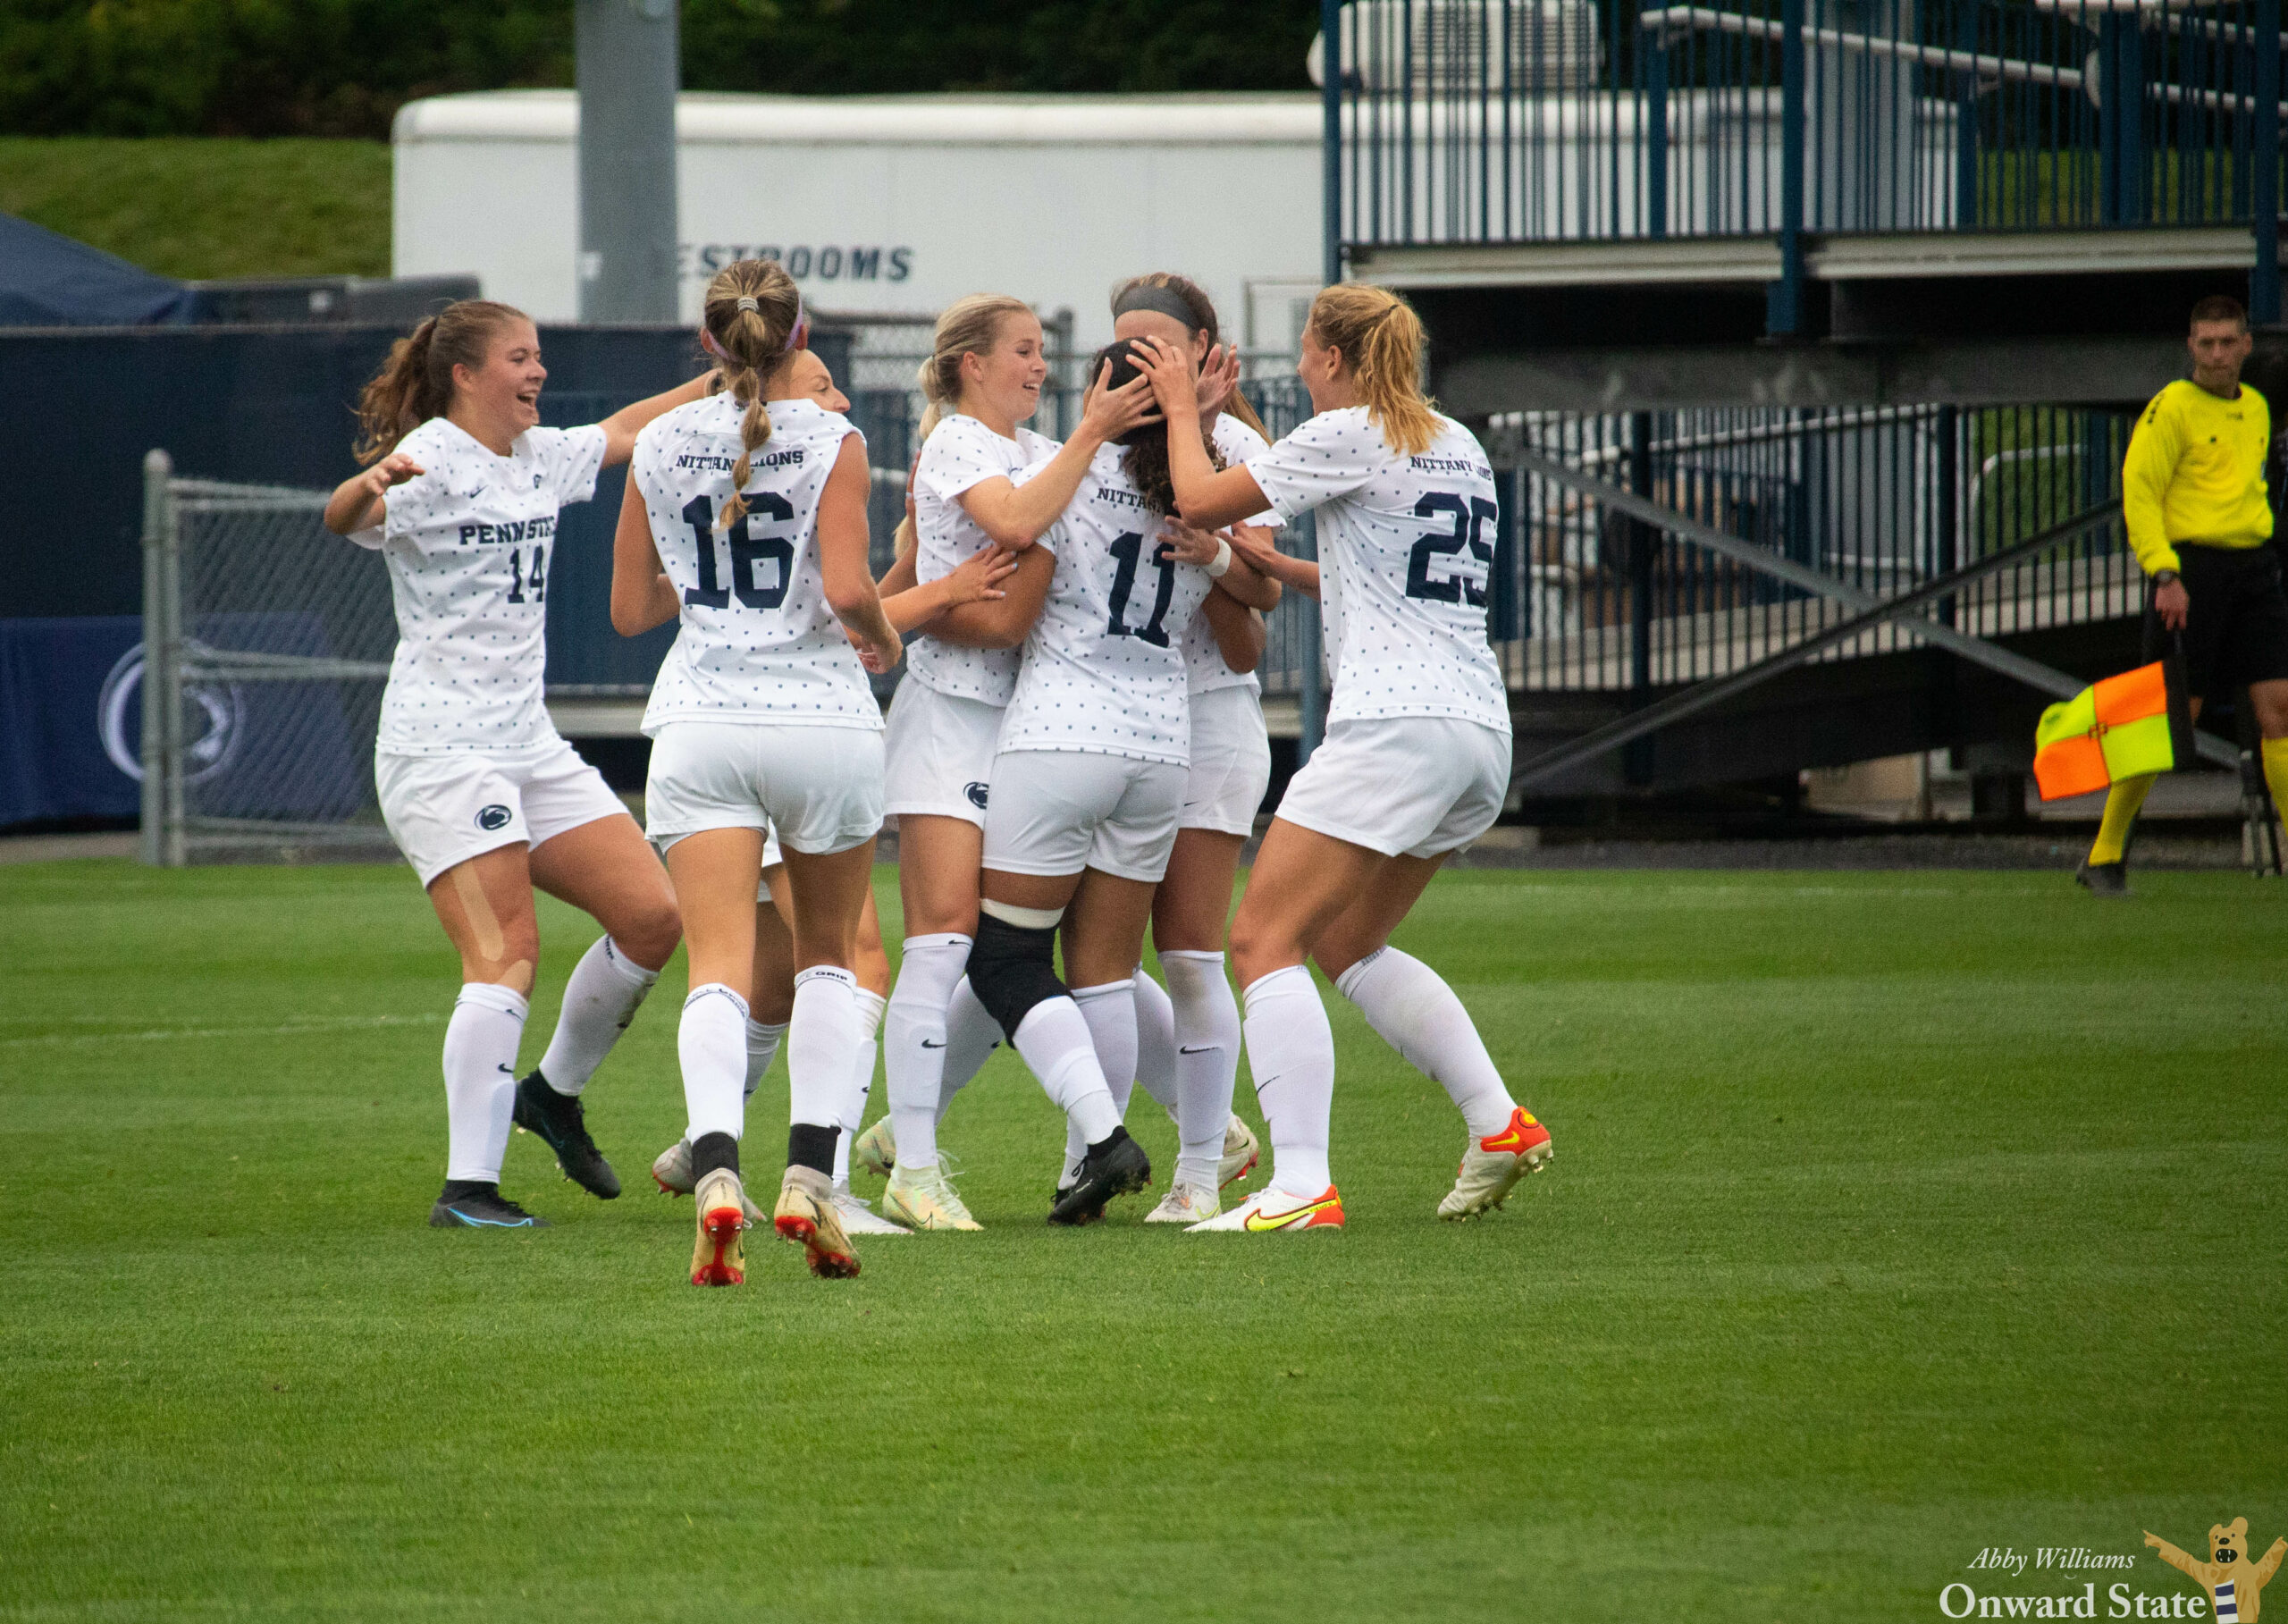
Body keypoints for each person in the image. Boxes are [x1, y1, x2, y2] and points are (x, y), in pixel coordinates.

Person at [1130, 283, 1555, 1233]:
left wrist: (1174, 406)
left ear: (1330, 356)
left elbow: (1199, 497)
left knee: (1260, 941)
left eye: (1307, 351)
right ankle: (1498, 1122)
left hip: (1394, 727)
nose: (1298, 366)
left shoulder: (1350, 431)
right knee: (1345, 941)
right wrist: (1282, 567)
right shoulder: (1453, 440)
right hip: (1476, 730)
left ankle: (1302, 1184)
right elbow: (1398, 572)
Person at [323, 299, 704, 1230]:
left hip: (524, 741)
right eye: (520, 358)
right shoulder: (432, 457)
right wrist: (371, 483)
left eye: (539, 357)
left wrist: (737, 379)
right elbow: (342, 516)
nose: (538, 372)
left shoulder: (536, 457)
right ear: (465, 374)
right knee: (506, 957)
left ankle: (552, 1095)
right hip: (443, 746)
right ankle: (468, 1188)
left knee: (655, 917)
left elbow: (621, 430)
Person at [611, 258, 901, 1285]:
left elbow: (631, 611)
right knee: (828, 959)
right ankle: (810, 1179)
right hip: (821, 720)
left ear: (708, 344)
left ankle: (719, 1172)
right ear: (798, 332)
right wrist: (885, 636)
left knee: (718, 968)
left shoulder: (654, 439)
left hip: (700, 720)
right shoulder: (836, 438)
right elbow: (844, 586)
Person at [870, 294, 1158, 1231]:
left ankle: (1194, 1124)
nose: (1040, 366)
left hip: (1028, 722)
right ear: (970, 366)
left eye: (1042, 352)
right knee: (946, 938)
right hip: (951, 713)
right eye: (1024, 352)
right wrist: (1087, 439)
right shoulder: (960, 441)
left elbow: (1046, 542)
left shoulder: (1038, 450)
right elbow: (1017, 521)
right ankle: (910, 1166)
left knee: (1016, 953)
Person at [960, 339, 1231, 1224]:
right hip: (1160, 743)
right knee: (1106, 971)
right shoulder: (1200, 484)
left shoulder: (1054, 468)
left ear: (1104, 395)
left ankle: (1100, 1136)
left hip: (1061, 732)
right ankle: (1087, 1163)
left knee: (1004, 953)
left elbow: (1011, 561)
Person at [2079, 293, 2283, 896]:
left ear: (2246, 346)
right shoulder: (2171, 408)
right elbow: (2140, 491)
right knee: (2169, 720)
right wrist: (2164, 574)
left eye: (2228, 342)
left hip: (2253, 566)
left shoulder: (2258, 409)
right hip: (2192, 572)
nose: (2218, 354)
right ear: (2190, 347)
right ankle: (2106, 852)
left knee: (2280, 709)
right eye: (2206, 343)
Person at [649, 836, 908, 1235]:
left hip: (725, 789)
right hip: (799, 788)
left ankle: (698, 1149)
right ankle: (829, 1187)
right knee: (859, 965)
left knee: (771, 994)